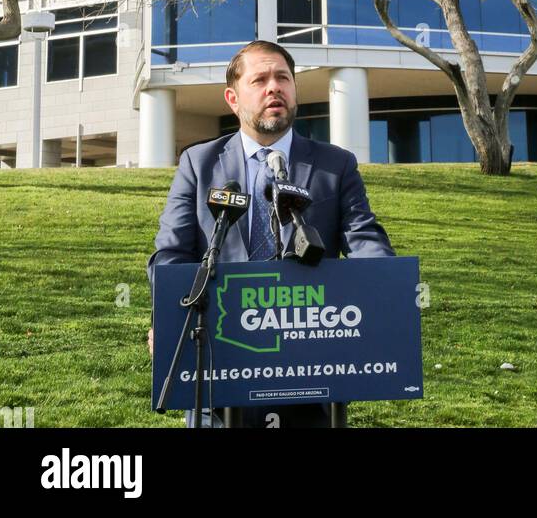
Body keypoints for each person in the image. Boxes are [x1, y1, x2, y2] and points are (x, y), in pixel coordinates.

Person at [147, 39, 394, 428]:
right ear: (233, 98)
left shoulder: (336, 165)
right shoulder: (198, 164)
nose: (273, 87)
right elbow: (171, 254)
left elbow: (365, 240)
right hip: (220, 367)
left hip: (311, 372)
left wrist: (387, 296)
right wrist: (169, 319)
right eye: (259, 79)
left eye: (283, 78)